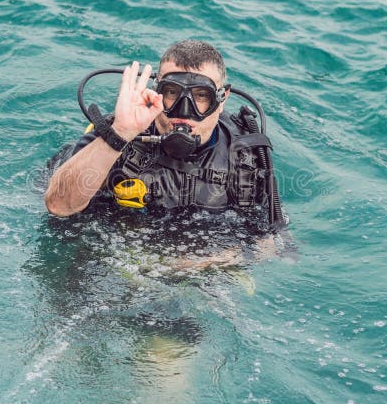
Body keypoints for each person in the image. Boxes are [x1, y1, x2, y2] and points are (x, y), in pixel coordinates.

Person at [44, 40, 286, 256]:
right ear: (157, 90)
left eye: (201, 96)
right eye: (172, 92)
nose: (184, 111)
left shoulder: (245, 155)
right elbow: (58, 205)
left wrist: (191, 266)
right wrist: (120, 134)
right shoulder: (117, 133)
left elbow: (272, 244)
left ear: (222, 99)